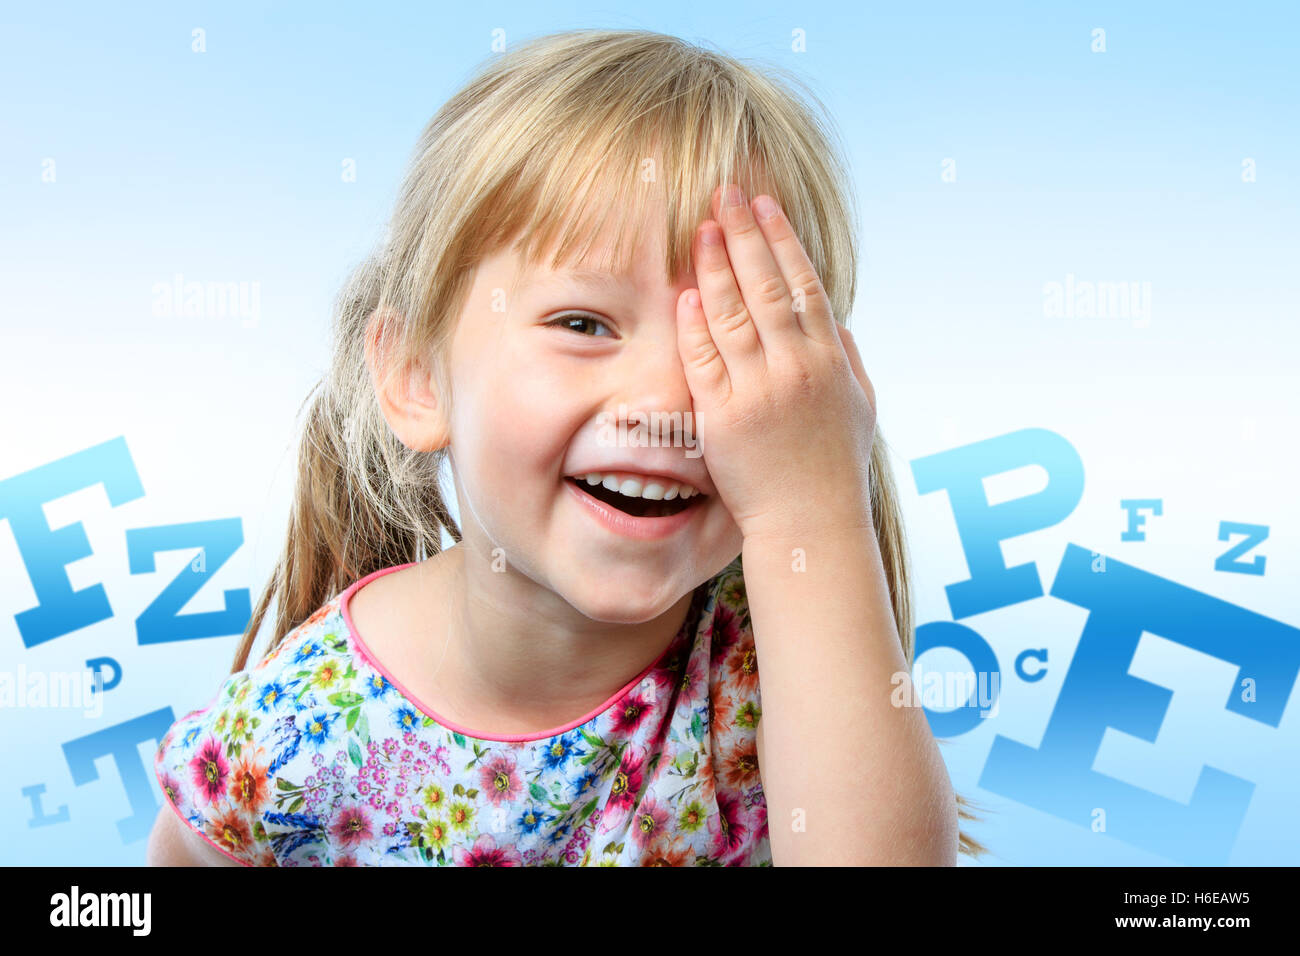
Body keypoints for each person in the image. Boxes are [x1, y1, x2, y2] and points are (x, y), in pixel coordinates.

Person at [146, 27, 984, 866]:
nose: (665, 403)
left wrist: (812, 509)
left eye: (731, 342)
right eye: (582, 323)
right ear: (415, 378)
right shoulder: (300, 732)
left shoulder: (774, 657)